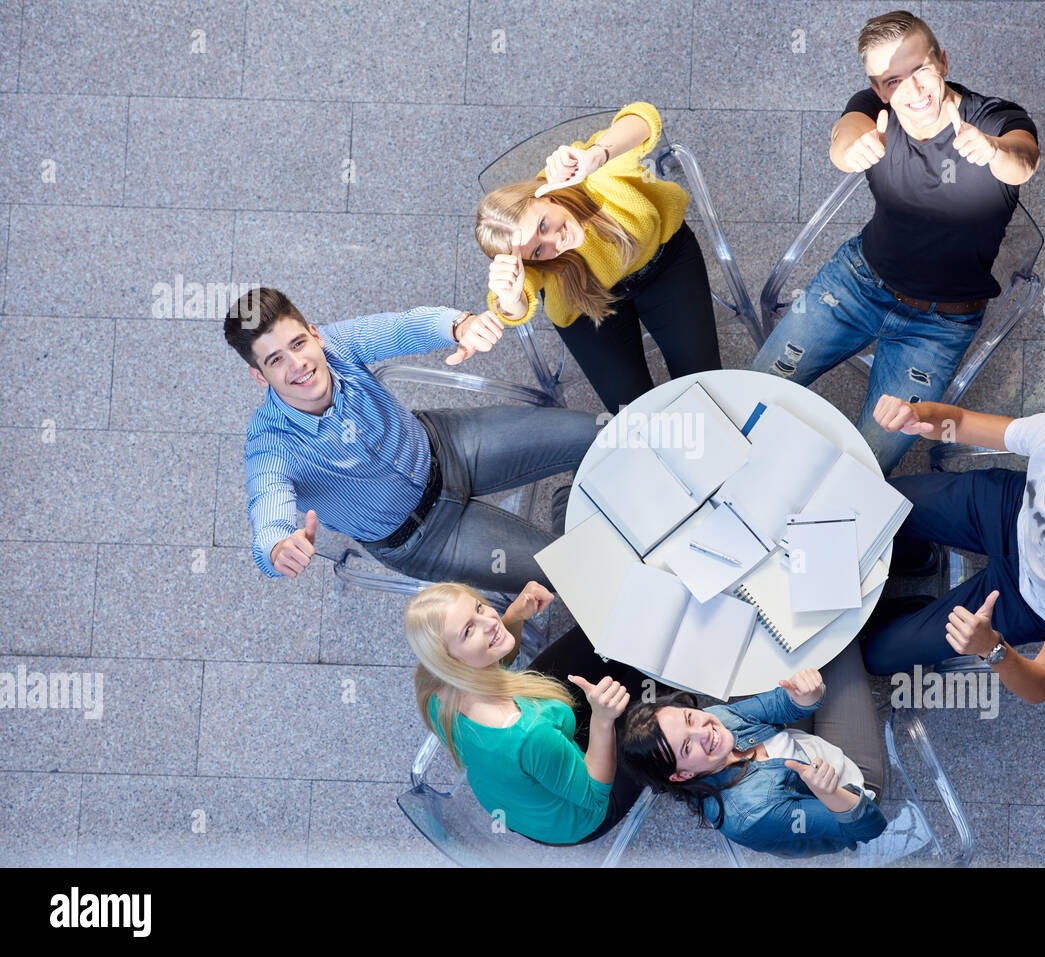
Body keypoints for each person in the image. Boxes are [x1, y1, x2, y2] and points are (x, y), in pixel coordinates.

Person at [751, 10, 1041, 474]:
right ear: (879, 88)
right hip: (856, 284)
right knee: (752, 396)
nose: (913, 90)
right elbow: (844, 135)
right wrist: (849, 149)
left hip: (940, 326)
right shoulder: (875, 108)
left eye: (921, 69)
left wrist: (993, 150)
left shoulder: (993, 117)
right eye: (893, 81)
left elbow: (1023, 160)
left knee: (864, 468)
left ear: (942, 61)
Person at [223, 286, 599, 594]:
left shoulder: (336, 344)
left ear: (316, 335)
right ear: (260, 376)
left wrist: (459, 326)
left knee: (597, 436)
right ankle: (569, 508)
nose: (298, 364)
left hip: (448, 447)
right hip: (424, 538)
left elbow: (402, 327)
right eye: (275, 360)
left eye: (298, 344)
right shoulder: (269, 446)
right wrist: (277, 549)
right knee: (579, 573)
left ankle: (574, 500)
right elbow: (266, 508)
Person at [862, 395, 1045, 704]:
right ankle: (916, 557)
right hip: (1011, 509)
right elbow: (958, 423)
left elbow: (1042, 686)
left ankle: (914, 607)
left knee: (877, 655)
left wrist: (991, 647)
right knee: (879, 504)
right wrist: (916, 414)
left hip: (1028, 600)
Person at [472, 102, 722, 412]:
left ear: (545, 194)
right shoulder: (538, 259)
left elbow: (644, 118)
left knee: (705, 386)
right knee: (632, 413)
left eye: (543, 225)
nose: (555, 241)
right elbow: (516, 301)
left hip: (664, 263)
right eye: (537, 250)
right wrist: (510, 298)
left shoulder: (590, 175)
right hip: (587, 304)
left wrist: (599, 153)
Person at [407, 580, 647, 845]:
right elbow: (594, 794)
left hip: (527, 778)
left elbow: (489, 665)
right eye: (468, 630)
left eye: (478, 607)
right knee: (654, 674)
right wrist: (602, 720)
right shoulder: (527, 733)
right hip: (583, 810)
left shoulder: (430, 684)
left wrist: (513, 617)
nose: (490, 621)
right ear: (451, 664)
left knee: (606, 631)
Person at [620, 646, 893, 859]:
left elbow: (778, 704)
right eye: (687, 747)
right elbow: (869, 827)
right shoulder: (755, 814)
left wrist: (807, 695)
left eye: (689, 717)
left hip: (803, 745)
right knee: (841, 647)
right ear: (682, 775)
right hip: (849, 787)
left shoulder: (713, 722)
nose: (703, 731)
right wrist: (829, 792)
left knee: (815, 647)